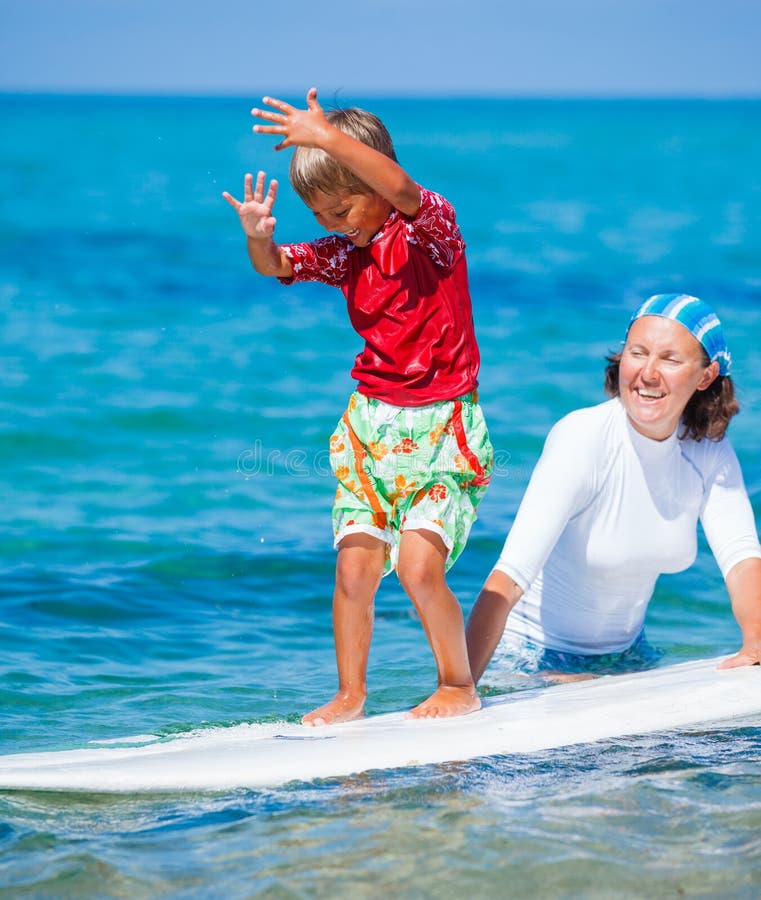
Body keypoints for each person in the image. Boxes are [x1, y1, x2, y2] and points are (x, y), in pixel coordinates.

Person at [223, 88, 493, 724]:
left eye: (342, 206)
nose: (332, 223)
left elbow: (400, 186)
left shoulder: (434, 233)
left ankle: (458, 683)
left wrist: (324, 138)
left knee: (420, 569)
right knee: (354, 571)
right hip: (369, 428)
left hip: (442, 427)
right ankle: (351, 695)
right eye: (318, 214)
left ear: (369, 176)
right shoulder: (348, 254)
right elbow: (276, 268)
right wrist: (258, 239)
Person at [466, 294, 761, 684]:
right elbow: (509, 574)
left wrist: (756, 643)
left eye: (670, 360)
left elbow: (741, 558)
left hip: (629, 657)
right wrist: (460, 685)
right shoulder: (582, 437)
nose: (648, 373)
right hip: (529, 657)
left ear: (706, 376)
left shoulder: (708, 450)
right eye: (638, 353)